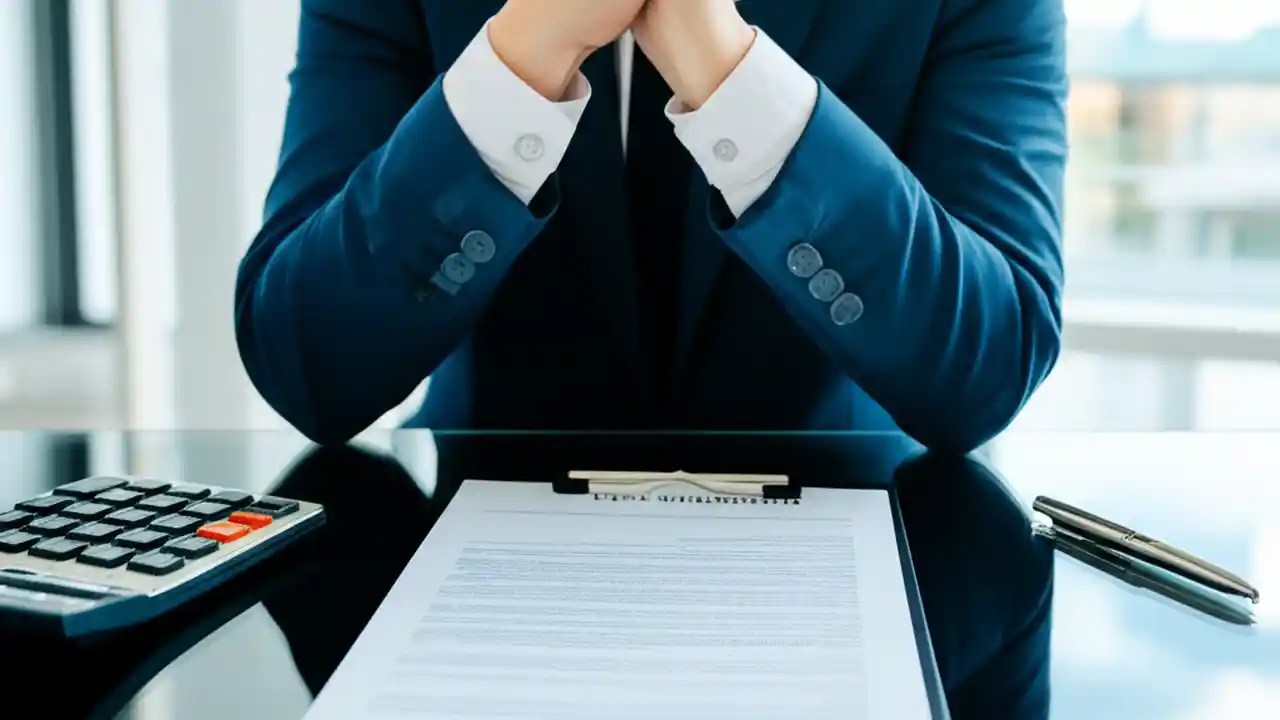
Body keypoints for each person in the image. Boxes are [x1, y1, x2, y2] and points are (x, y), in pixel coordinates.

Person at [235, 0, 1068, 451]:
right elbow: (305, 363)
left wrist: (730, 72)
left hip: (859, 541)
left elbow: (993, 362)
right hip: (474, 534)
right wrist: (524, 53)